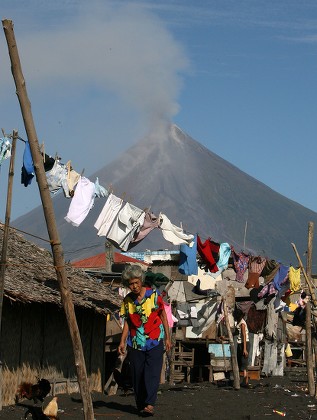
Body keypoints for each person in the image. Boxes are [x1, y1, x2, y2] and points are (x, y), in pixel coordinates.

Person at [118, 265, 171, 417]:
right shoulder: (128, 301)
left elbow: (163, 316)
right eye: (130, 284)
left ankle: (149, 404)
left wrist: (167, 338)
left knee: (152, 373)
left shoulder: (154, 295)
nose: (134, 286)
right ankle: (141, 403)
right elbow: (127, 322)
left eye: (136, 282)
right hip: (135, 342)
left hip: (154, 340)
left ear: (141, 280)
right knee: (137, 374)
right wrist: (122, 341)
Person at [233, 307, 250, 387]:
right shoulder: (238, 323)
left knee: (244, 362)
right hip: (240, 343)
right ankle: (243, 380)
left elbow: (244, 335)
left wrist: (244, 349)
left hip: (244, 343)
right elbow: (236, 333)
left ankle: (245, 381)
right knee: (241, 362)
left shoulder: (242, 323)